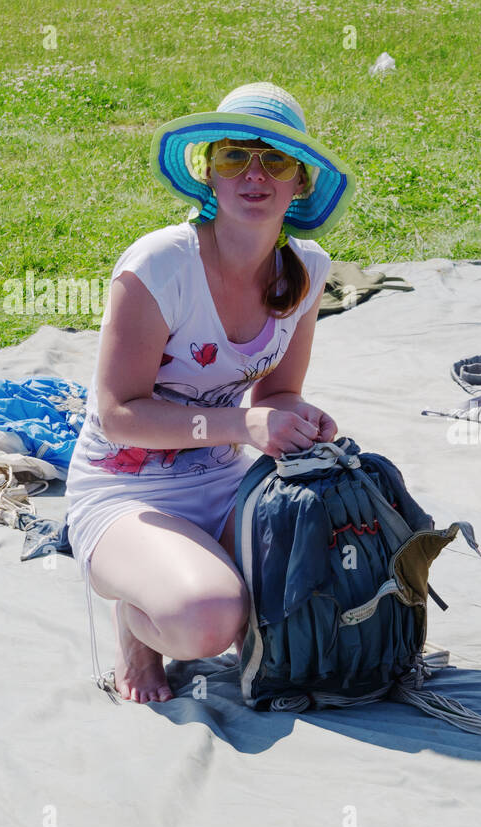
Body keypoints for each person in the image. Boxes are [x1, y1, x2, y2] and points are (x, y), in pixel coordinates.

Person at [65, 82, 352, 703]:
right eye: (234, 157)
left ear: (299, 181)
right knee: (209, 621)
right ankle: (136, 622)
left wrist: (299, 418)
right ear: (208, 173)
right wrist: (240, 428)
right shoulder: (160, 265)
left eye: (274, 159)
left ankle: (179, 583)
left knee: (326, 590)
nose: (254, 174)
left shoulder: (308, 271)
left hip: (225, 484)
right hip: (124, 492)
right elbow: (118, 417)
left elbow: (276, 395)